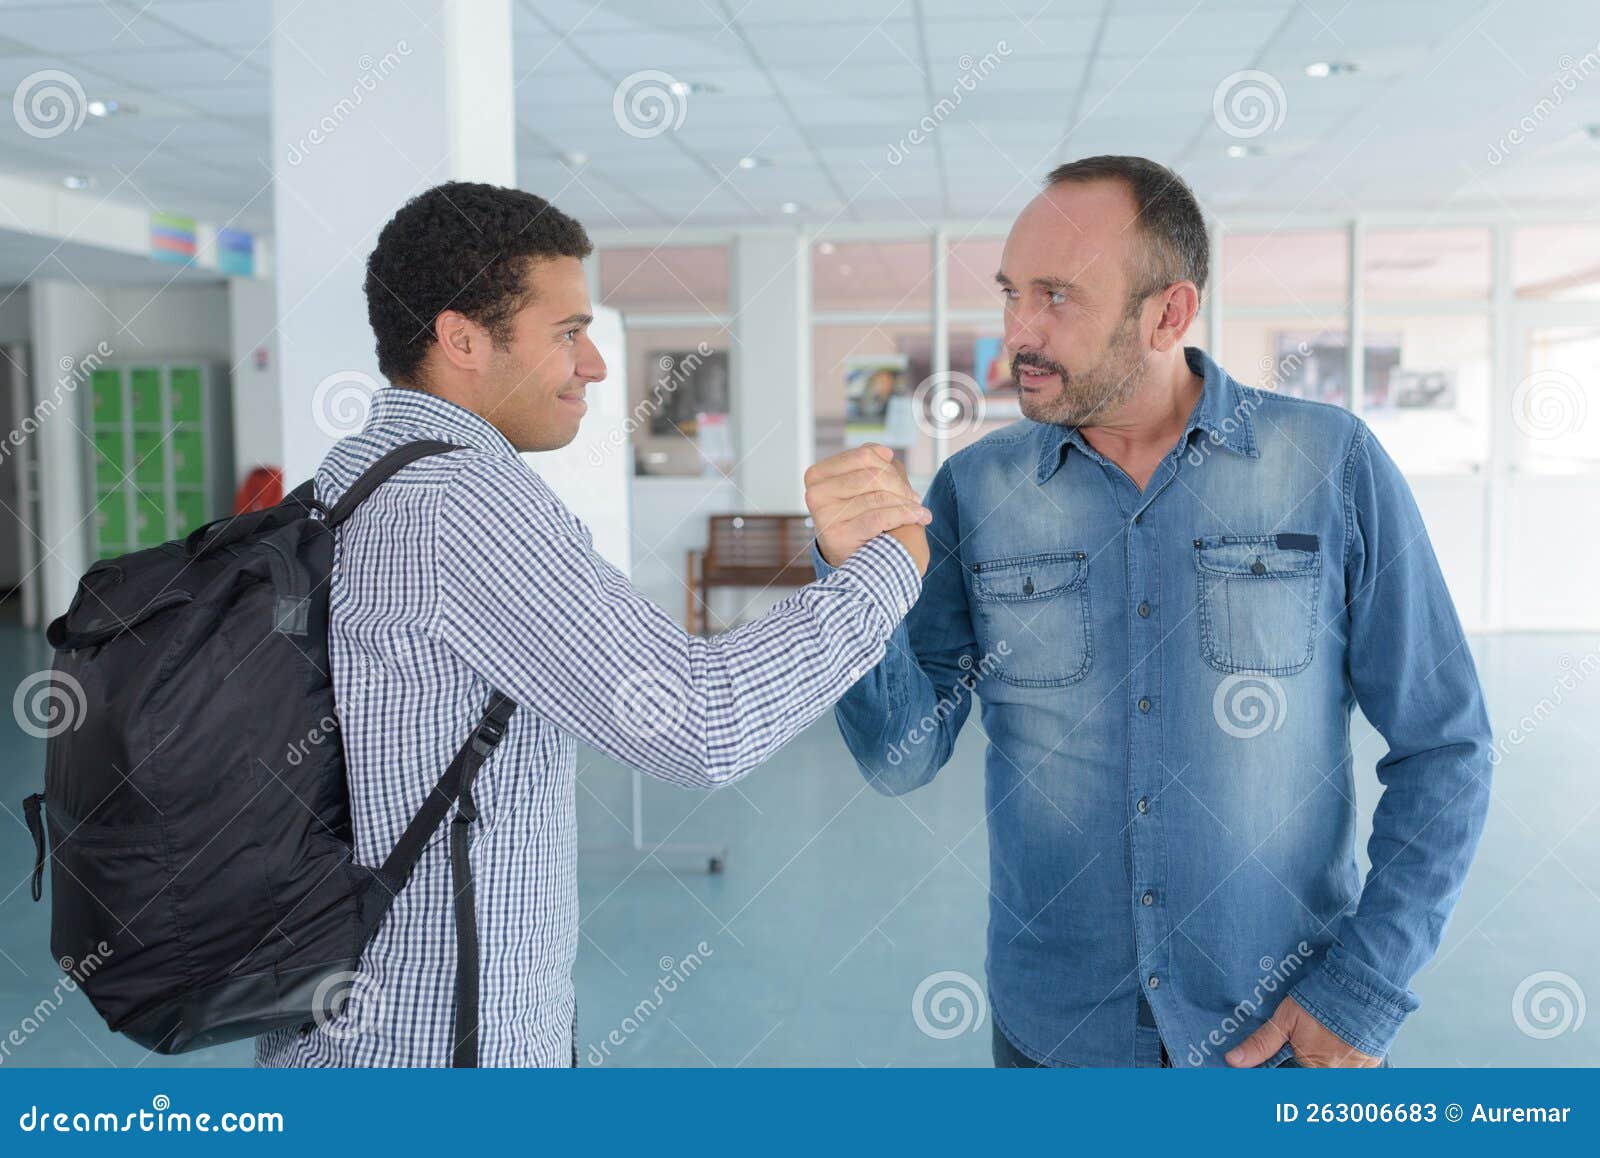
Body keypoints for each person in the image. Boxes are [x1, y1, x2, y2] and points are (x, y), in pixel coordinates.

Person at [810, 156, 1493, 1068]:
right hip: (1056, 1033)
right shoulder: (977, 489)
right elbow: (903, 756)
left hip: (1279, 1032)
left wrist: (1364, 987)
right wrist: (853, 581)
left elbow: (1446, 743)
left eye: (1057, 296)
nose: (1018, 331)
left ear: (1168, 313)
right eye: (1013, 294)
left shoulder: (1327, 462)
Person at [256, 182, 930, 1067]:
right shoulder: (463, 502)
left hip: (327, 1031)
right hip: (439, 1052)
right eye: (568, 333)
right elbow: (699, 722)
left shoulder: (352, 474)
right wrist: (891, 568)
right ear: (461, 339)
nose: (597, 366)